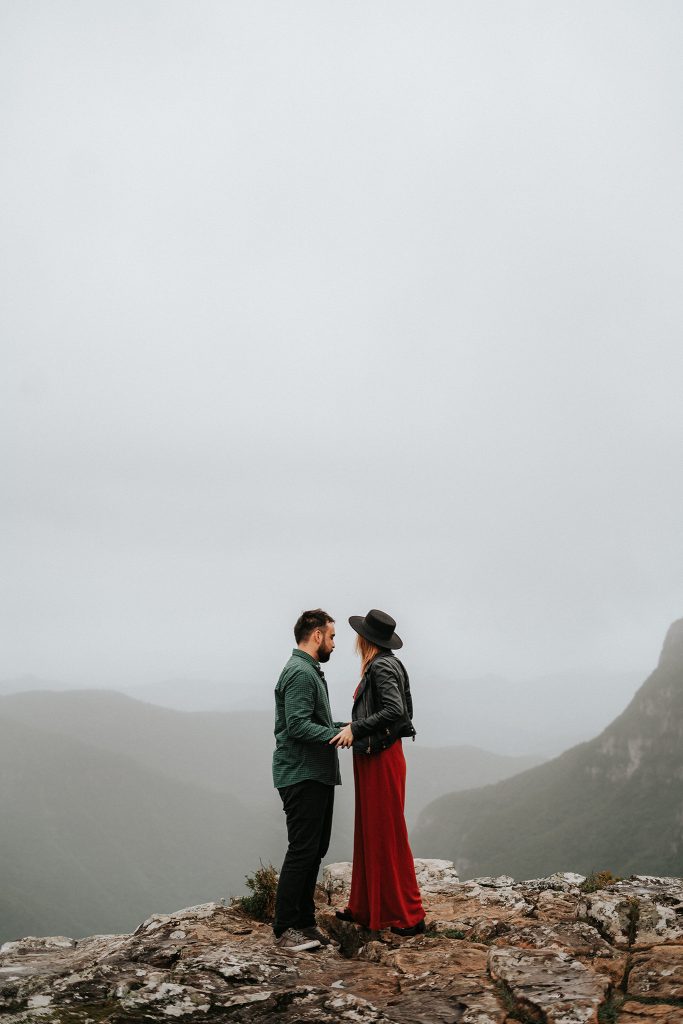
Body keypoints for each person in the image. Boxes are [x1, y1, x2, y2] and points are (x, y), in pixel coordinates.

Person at [331, 609, 425, 936]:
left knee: (387, 833)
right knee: (371, 832)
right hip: (377, 756)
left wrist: (356, 728)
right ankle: (366, 907)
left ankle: (410, 916)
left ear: (365, 639)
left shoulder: (382, 665)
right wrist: (351, 726)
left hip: (380, 758)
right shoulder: (386, 663)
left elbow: (395, 711)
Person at [271, 608, 348, 951]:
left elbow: (309, 721)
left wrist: (345, 728)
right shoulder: (301, 673)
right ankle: (286, 927)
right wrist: (338, 736)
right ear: (317, 636)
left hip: (314, 774)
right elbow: (298, 725)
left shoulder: (308, 671)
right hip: (301, 774)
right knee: (303, 850)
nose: (334, 644)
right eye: (332, 636)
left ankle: (303, 920)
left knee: (315, 849)